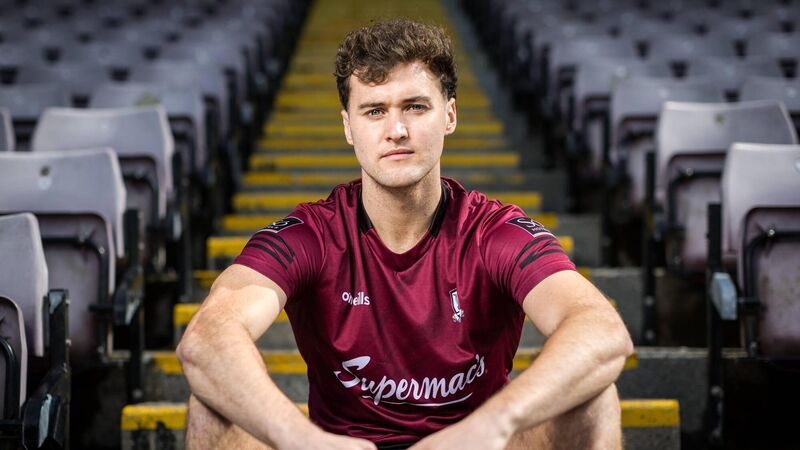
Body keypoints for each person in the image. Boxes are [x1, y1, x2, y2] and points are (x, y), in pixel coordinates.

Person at [177, 18, 633, 450]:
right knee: (212, 406)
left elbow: (601, 330)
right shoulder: (310, 236)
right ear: (348, 127)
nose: (396, 130)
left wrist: (493, 425)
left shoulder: (494, 232)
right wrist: (301, 438)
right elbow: (206, 339)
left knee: (594, 398)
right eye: (374, 111)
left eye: (415, 107)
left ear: (449, 115)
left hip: (471, 446)